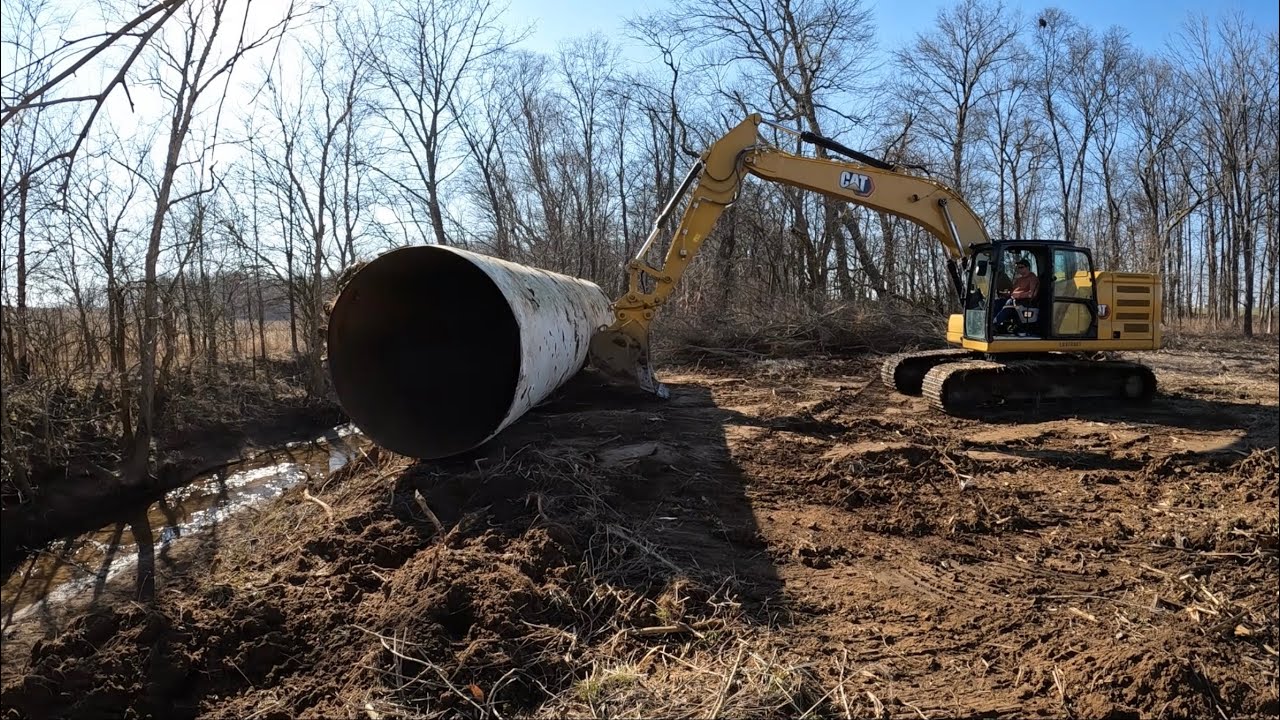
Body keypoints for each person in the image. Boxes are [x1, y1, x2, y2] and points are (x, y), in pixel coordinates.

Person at [993, 259, 1039, 334]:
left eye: (1021, 267)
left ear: (1027, 267)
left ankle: (994, 323)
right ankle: (993, 323)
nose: (1019, 269)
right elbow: (1012, 292)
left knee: (1009, 302)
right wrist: (1005, 294)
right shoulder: (1019, 279)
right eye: (1018, 268)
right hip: (1014, 300)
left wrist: (1019, 295)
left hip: (1024, 302)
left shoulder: (1032, 278)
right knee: (997, 302)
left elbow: (1032, 294)